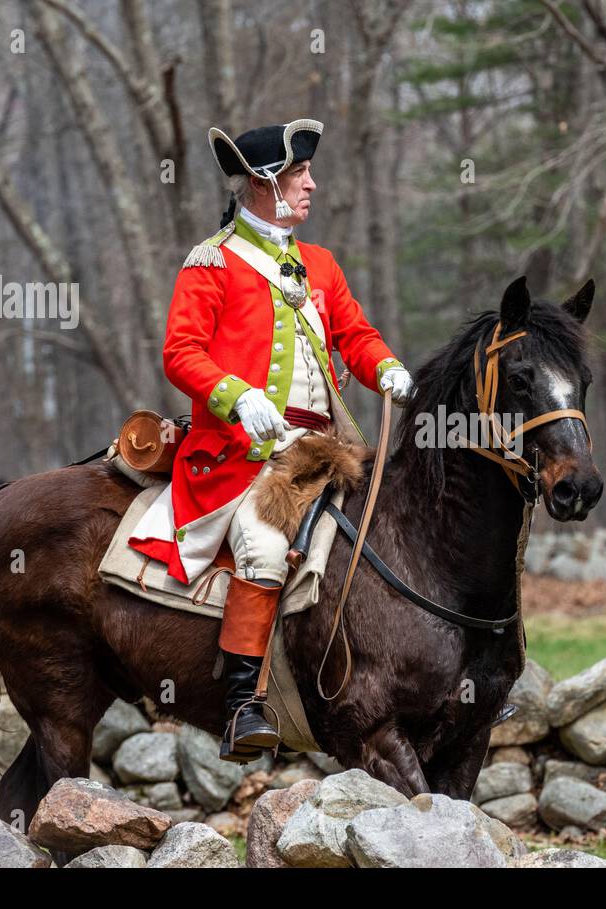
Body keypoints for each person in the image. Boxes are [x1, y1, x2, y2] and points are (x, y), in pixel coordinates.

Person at [129, 119, 413, 761]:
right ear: (263, 184)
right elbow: (181, 354)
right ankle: (242, 707)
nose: (311, 184)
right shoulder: (212, 263)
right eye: (298, 174)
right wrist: (235, 396)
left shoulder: (320, 265)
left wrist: (386, 366)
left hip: (326, 450)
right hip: (245, 457)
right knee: (261, 543)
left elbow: (356, 337)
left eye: (308, 173)